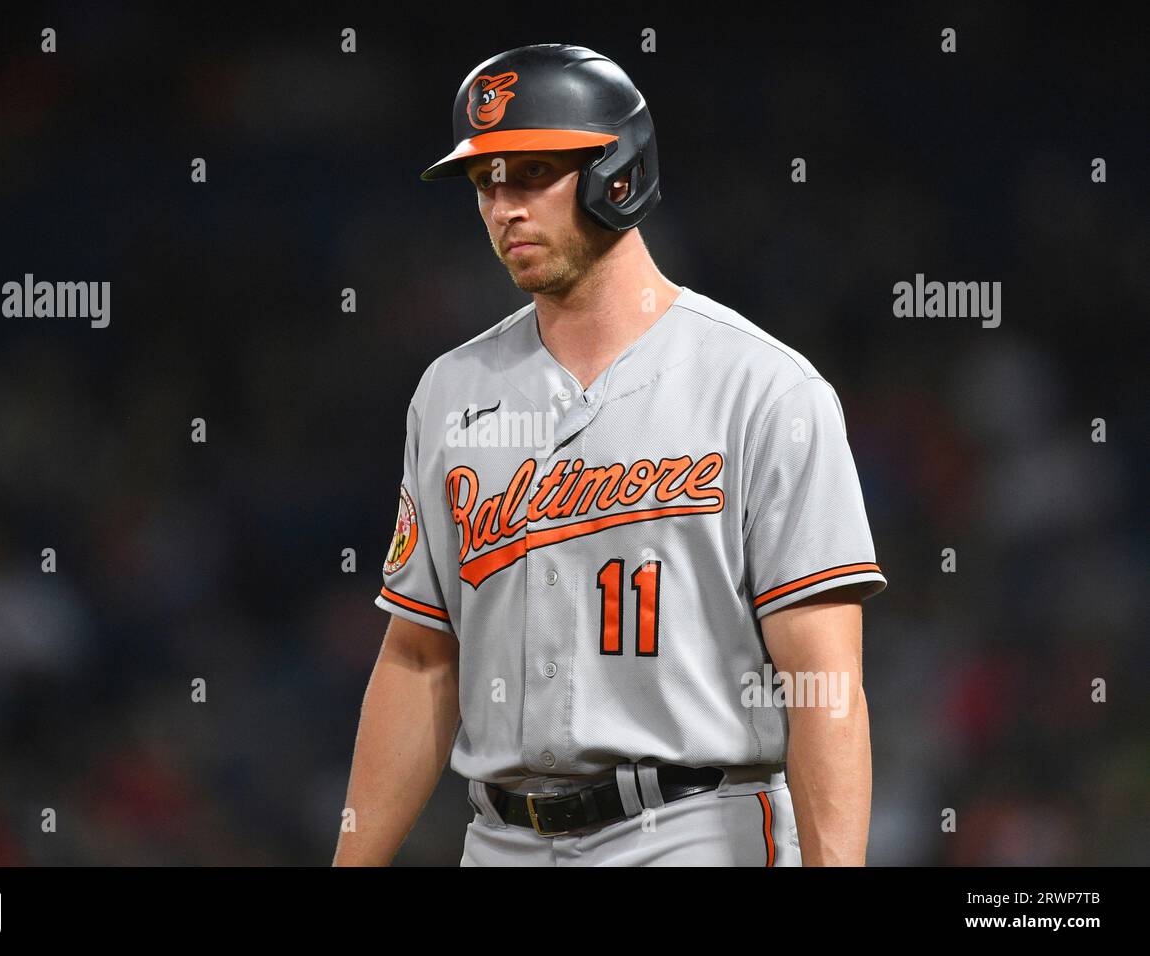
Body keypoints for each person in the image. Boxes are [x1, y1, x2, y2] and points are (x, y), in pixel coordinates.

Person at [334, 43, 886, 867]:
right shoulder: (451, 392)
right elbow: (419, 659)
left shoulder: (762, 388)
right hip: (499, 841)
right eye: (486, 181)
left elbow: (824, 682)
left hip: (700, 826)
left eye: (530, 174)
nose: (502, 207)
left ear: (616, 174)